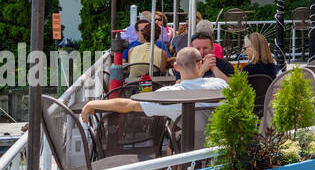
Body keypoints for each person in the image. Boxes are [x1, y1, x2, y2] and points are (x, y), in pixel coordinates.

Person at [79, 47, 227, 127]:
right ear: (200, 64)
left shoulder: (169, 95)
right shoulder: (220, 85)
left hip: (190, 148)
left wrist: (93, 102)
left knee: (173, 147)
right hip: (220, 143)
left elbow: (129, 105)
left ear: (175, 67)